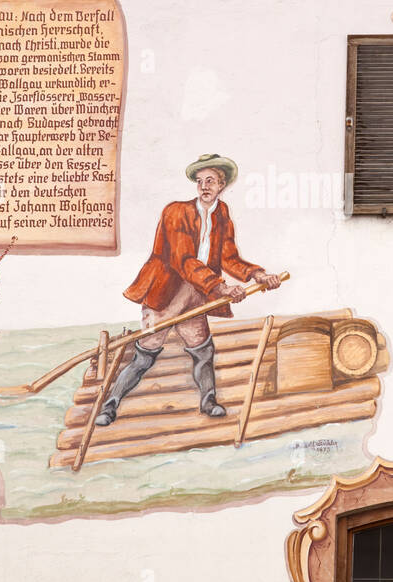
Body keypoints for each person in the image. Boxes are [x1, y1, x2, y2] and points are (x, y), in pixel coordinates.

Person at [95, 154, 281, 425]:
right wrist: (221, 287)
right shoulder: (175, 212)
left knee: (203, 351)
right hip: (165, 294)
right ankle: (109, 406)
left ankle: (209, 402)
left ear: (222, 185)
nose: (204, 186)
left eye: (211, 181)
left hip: (196, 294)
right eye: (200, 181)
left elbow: (228, 257)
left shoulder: (222, 214)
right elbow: (183, 260)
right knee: (144, 356)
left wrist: (257, 274)